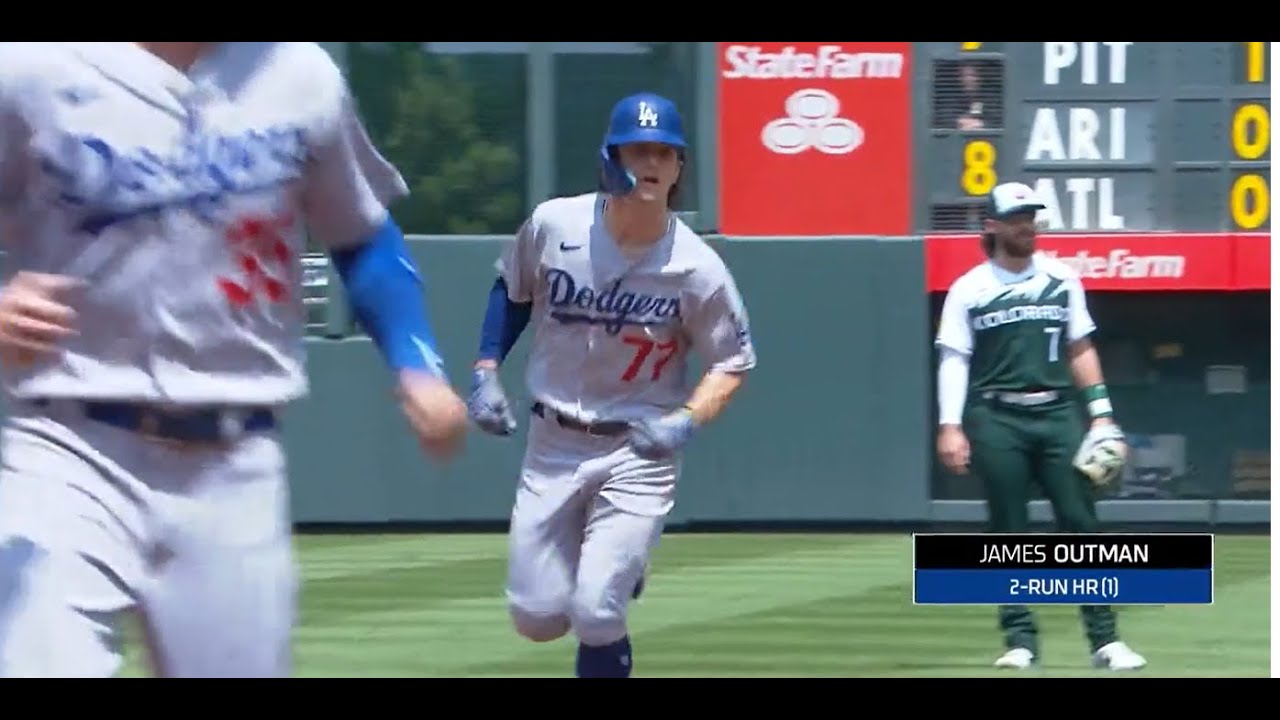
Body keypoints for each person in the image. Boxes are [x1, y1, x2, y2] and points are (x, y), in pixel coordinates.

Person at [0, 42, 467, 677]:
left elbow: (363, 237)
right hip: (68, 445)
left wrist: (417, 361)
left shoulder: (299, 74)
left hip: (234, 460)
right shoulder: (29, 69)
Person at [466, 92, 757, 678]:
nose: (651, 163)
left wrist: (686, 420)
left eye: (665, 153)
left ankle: (619, 564)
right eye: (637, 150)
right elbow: (513, 290)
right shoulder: (555, 224)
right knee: (537, 617)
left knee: (596, 612)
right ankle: (621, 564)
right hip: (553, 443)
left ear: (679, 168)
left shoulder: (697, 267)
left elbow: (733, 362)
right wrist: (485, 371)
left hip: (636, 449)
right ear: (609, 157)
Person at [933, 181, 1146, 672]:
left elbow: (1080, 348)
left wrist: (1102, 413)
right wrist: (950, 425)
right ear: (992, 226)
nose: (1026, 225)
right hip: (996, 414)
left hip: (1055, 413)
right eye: (1015, 217)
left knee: (1082, 523)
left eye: (1030, 215)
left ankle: (1106, 641)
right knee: (1008, 529)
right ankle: (1020, 640)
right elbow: (954, 359)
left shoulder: (1061, 278)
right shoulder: (971, 287)